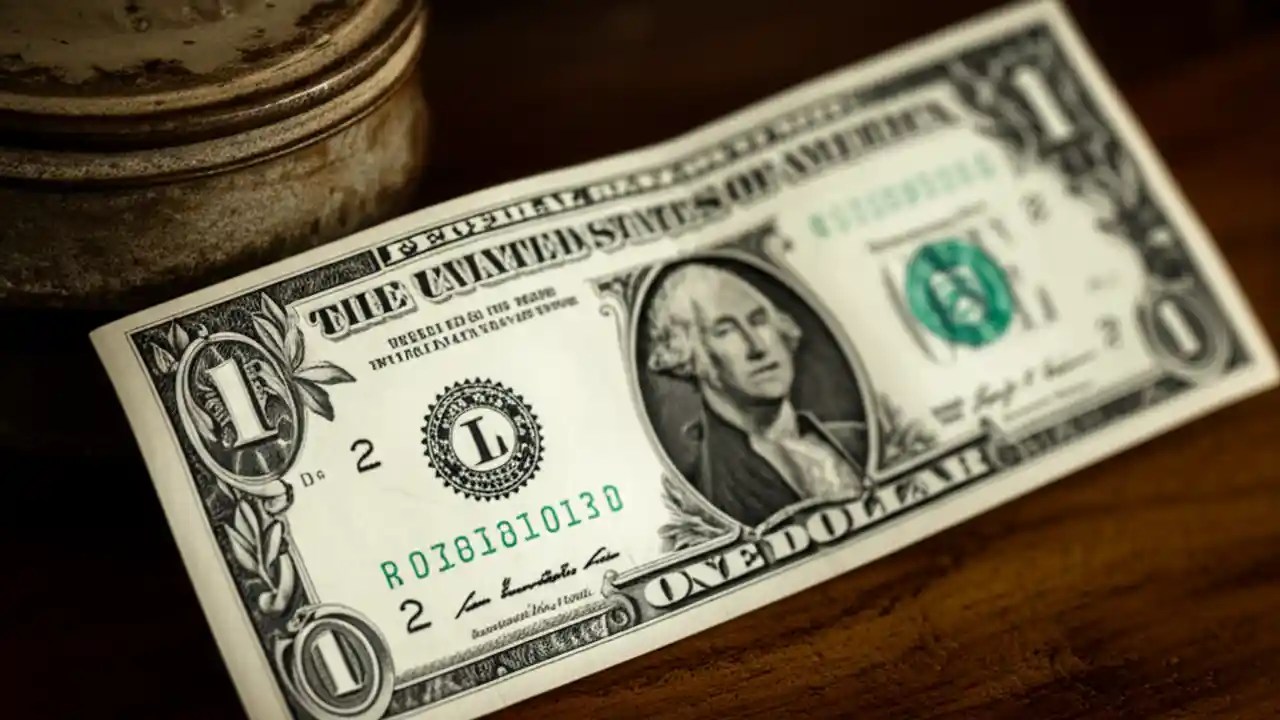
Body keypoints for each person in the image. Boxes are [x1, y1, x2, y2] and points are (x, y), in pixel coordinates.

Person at [646, 262, 866, 526]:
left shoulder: (856, 440)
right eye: (724, 331)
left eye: (758, 320)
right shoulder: (705, 496)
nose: (757, 346)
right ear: (689, 354)